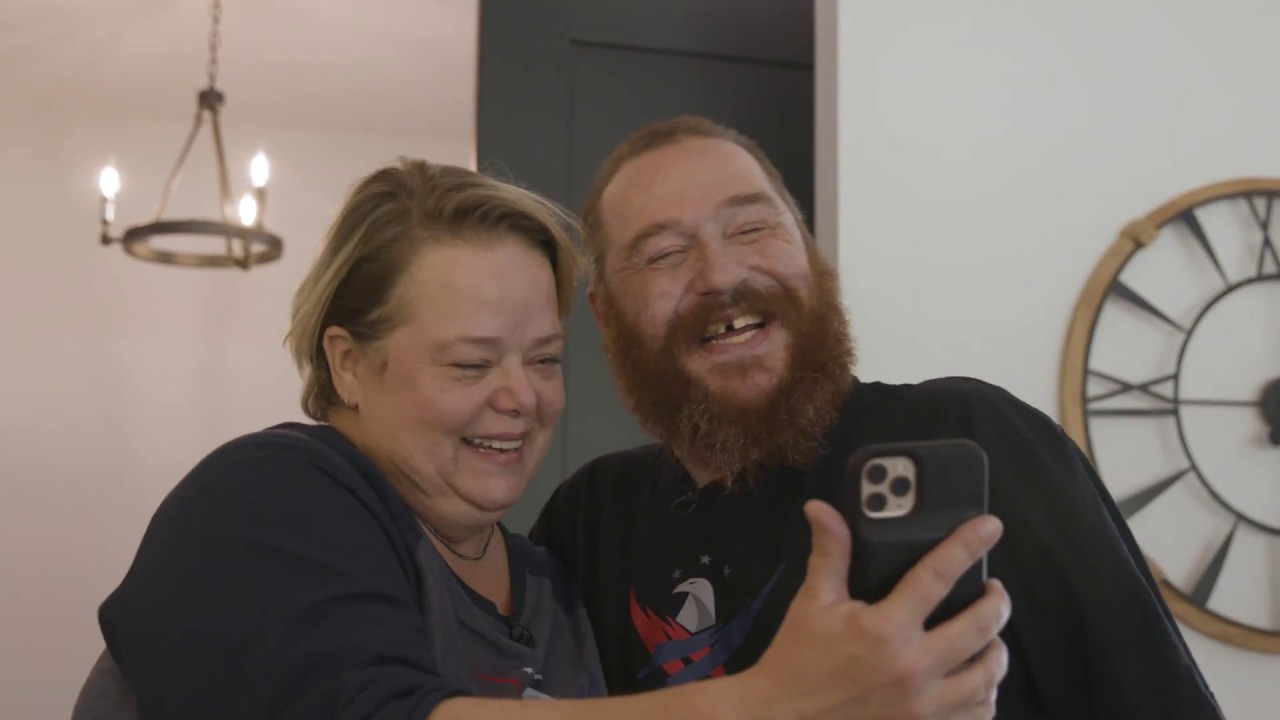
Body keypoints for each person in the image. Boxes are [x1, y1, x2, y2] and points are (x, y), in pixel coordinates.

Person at [75, 158, 1008, 720]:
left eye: (546, 358)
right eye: (472, 364)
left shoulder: (558, 581)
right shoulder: (266, 496)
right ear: (348, 363)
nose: (522, 399)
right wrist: (786, 698)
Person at [529, 116, 1226, 719]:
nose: (720, 274)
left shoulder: (970, 434)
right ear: (605, 313)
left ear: (807, 250)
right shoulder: (589, 520)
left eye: (752, 226)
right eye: (663, 255)